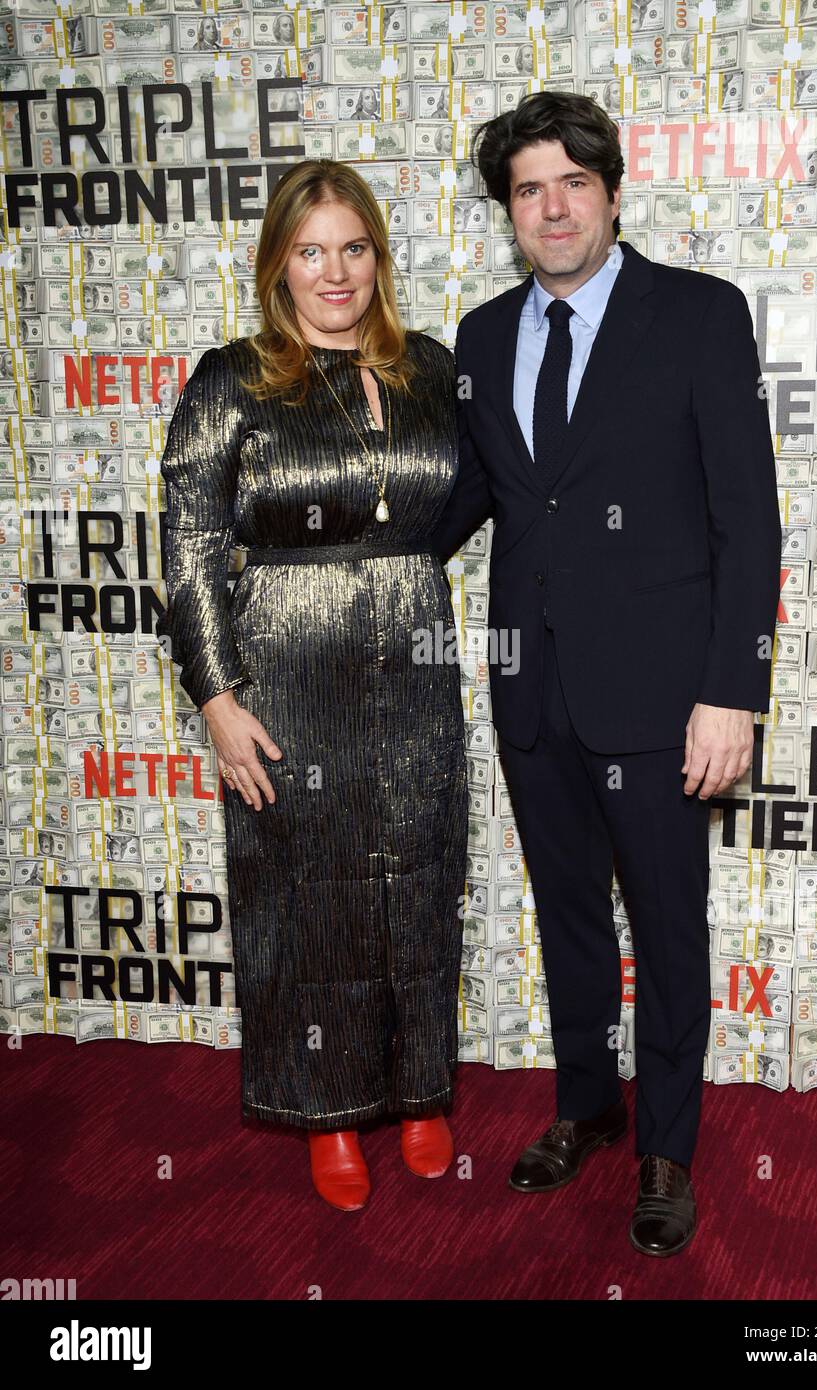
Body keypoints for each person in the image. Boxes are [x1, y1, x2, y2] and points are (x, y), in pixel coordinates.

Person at [429, 92, 782, 1256]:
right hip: (532, 689)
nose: (552, 208)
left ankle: (666, 1149)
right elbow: (476, 499)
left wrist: (731, 691)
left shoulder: (697, 314)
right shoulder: (483, 336)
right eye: (528, 190)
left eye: (572, 183)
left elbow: (747, 519)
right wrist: (340, 544)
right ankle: (586, 1105)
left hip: (662, 697)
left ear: (613, 192)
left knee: (667, 927)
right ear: (509, 211)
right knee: (567, 913)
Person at [156, 159, 468, 1212]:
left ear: (378, 257)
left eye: (353, 248)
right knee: (306, 893)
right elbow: (190, 550)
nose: (334, 272)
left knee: (419, 875)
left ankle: (420, 1089)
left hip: (416, 656)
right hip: (287, 667)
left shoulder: (430, 370)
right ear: (277, 266)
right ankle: (326, 1111)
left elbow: (472, 495)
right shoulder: (231, 381)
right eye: (310, 252)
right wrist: (217, 698)